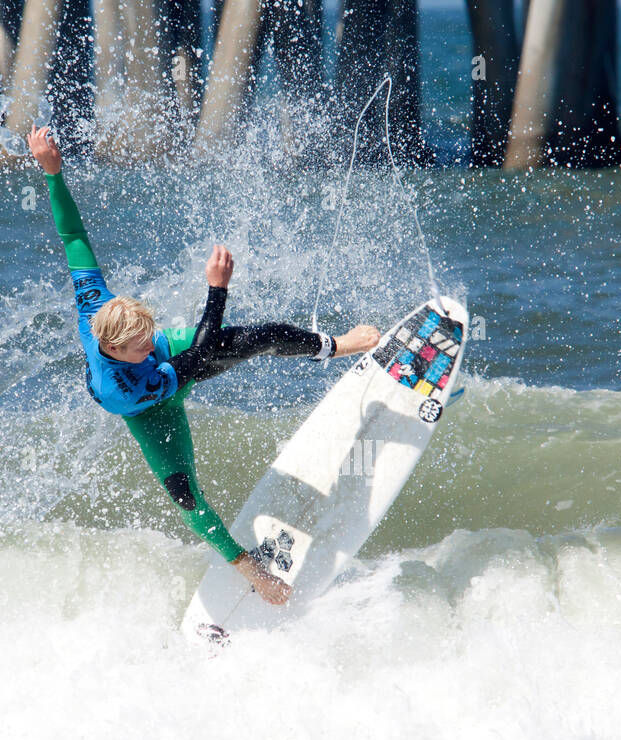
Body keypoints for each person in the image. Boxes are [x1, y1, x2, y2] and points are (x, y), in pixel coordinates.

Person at [27, 126, 382, 605]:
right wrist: (217, 289)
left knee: (267, 335)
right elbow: (198, 354)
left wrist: (52, 172)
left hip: (173, 358)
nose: (148, 347)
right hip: (154, 404)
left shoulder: (97, 305)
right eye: (138, 347)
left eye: (146, 337)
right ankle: (250, 571)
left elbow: (72, 234)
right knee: (187, 499)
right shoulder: (123, 388)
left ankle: (334, 346)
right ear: (112, 349)